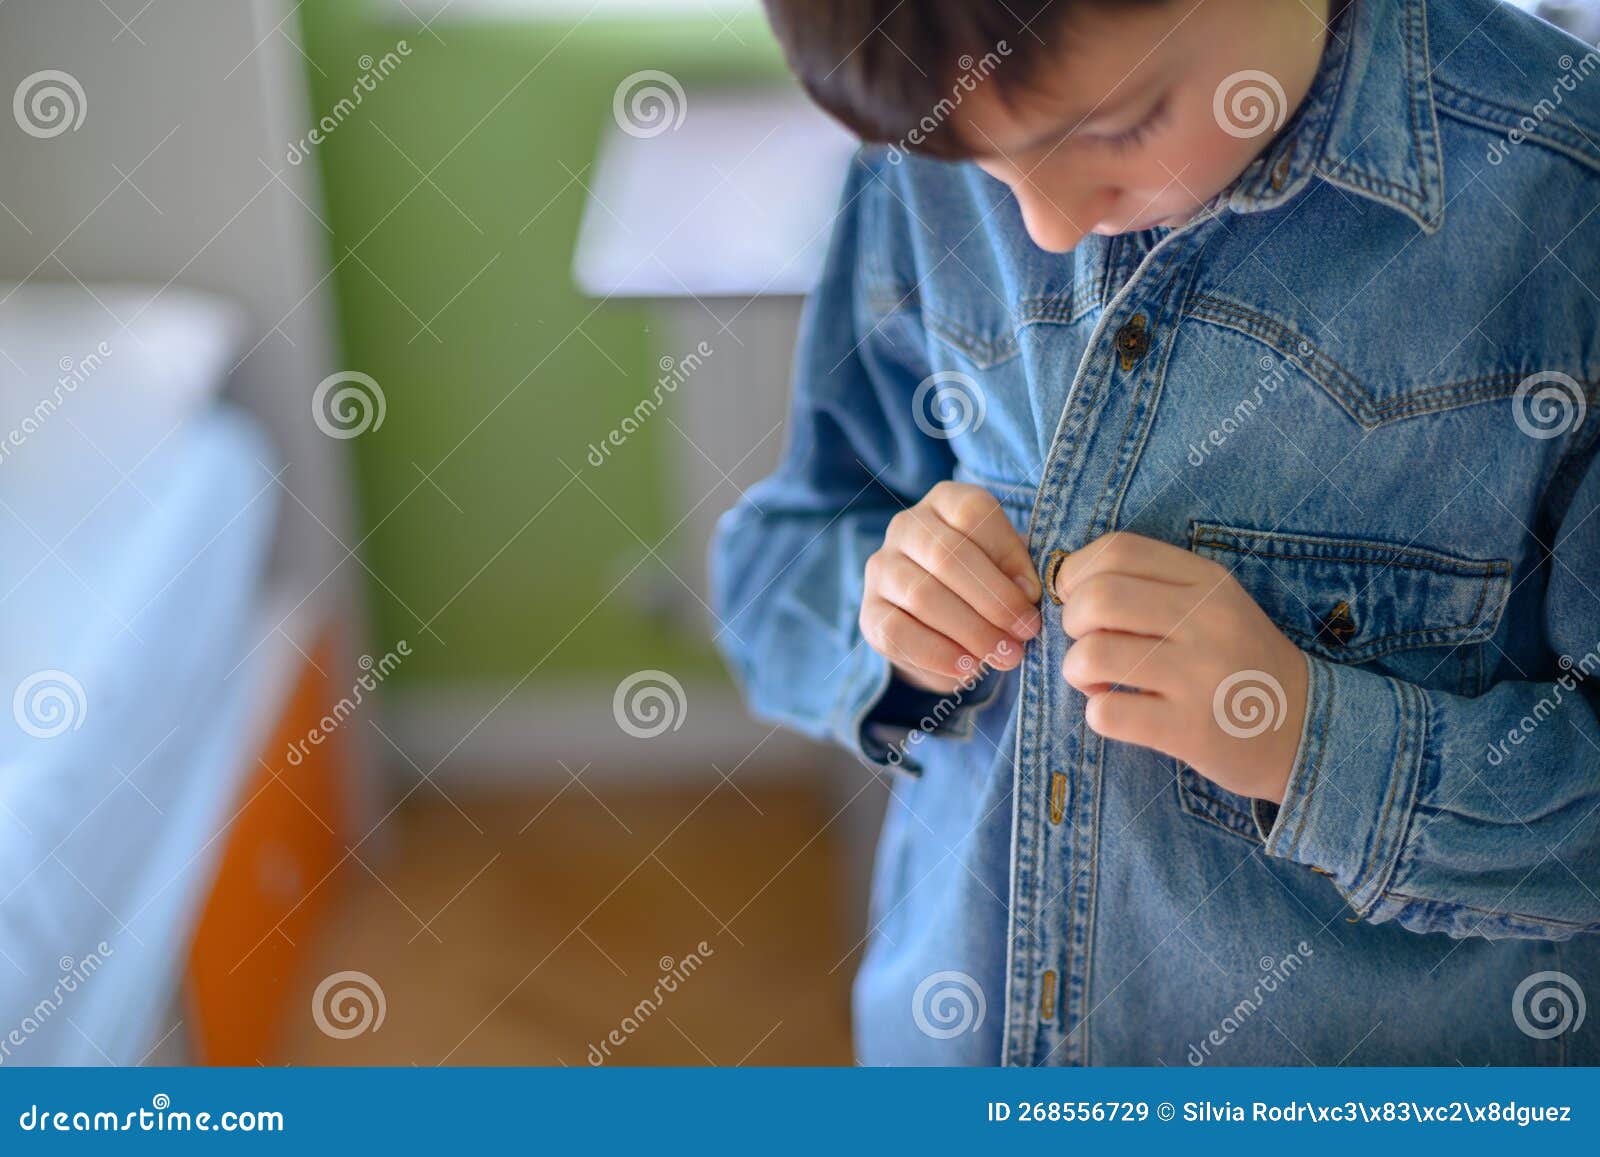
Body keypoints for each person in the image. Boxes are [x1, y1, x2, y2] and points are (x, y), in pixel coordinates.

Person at [711, 0, 1600, 1065]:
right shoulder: (926, 138)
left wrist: (1309, 740)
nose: (1041, 223)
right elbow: (778, 562)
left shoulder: (1563, 204)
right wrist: (887, 633)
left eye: (1117, 125)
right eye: (989, 165)